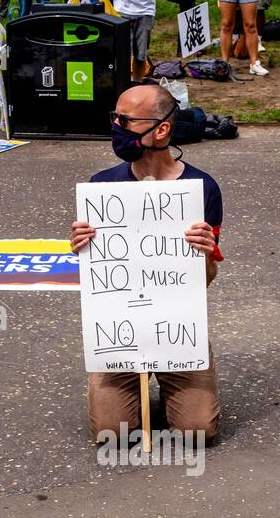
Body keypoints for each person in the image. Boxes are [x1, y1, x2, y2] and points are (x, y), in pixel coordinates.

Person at [70, 82, 223, 444]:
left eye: (125, 120)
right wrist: (82, 249)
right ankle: (122, 389)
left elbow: (207, 278)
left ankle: (179, 384)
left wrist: (205, 253)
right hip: (120, 334)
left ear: (162, 129)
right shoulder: (102, 187)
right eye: (114, 118)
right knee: (112, 433)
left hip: (177, 328)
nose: (116, 128)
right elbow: (101, 280)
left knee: (196, 432)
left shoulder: (202, 189)